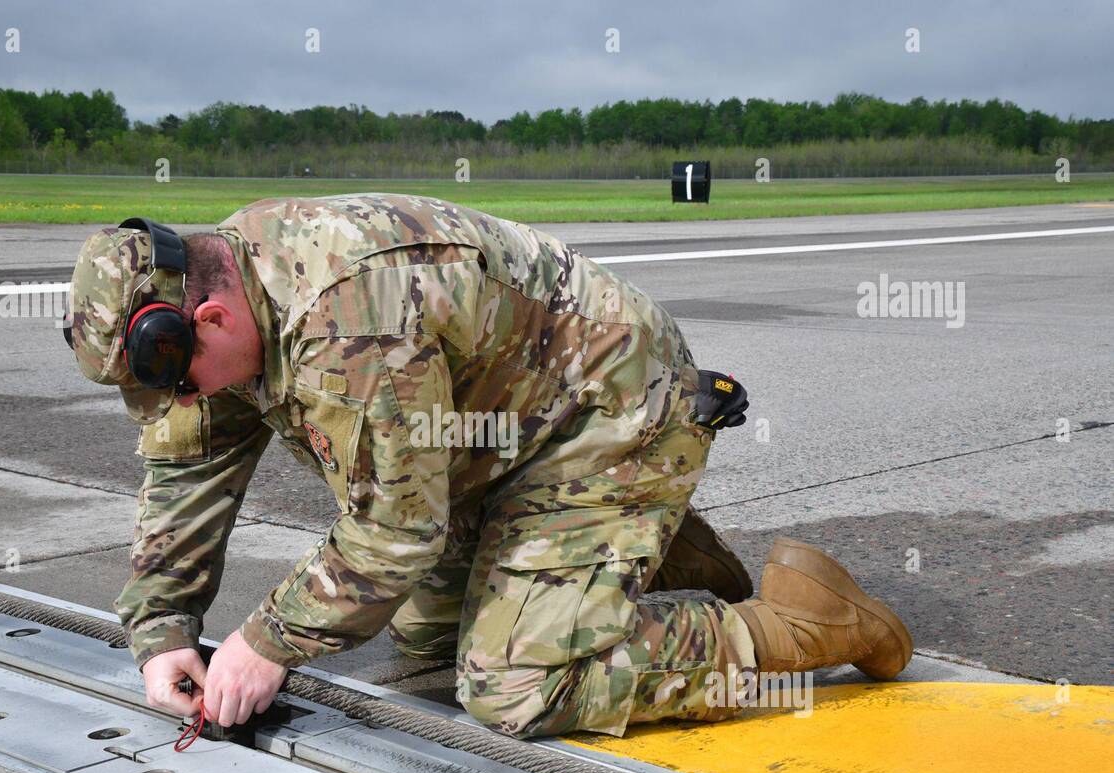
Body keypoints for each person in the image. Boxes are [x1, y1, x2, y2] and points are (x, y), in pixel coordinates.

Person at [64, 193, 911, 739]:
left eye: (179, 383)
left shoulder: (349, 321)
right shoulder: (226, 300)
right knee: (428, 632)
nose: (183, 403)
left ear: (208, 319)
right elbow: (187, 473)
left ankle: (812, 623)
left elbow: (395, 531)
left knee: (512, 684)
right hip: (502, 436)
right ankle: (652, 557)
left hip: (608, 415)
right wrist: (163, 630)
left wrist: (265, 643)